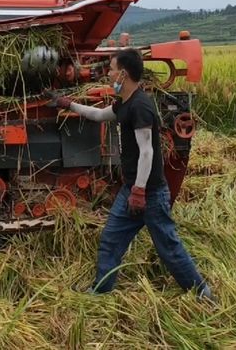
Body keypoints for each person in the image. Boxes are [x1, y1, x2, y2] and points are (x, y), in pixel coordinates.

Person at [45, 48, 215, 302]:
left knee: (168, 247)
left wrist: (139, 191)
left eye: (112, 69)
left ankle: (202, 292)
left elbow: (147, 152)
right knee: (111, 239)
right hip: (131, 190)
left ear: (123, 74)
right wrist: (67, 103)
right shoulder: (125, 102)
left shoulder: (141, 107)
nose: (109, 74)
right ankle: (101, 290)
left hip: (150, 193)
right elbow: (100, 115)